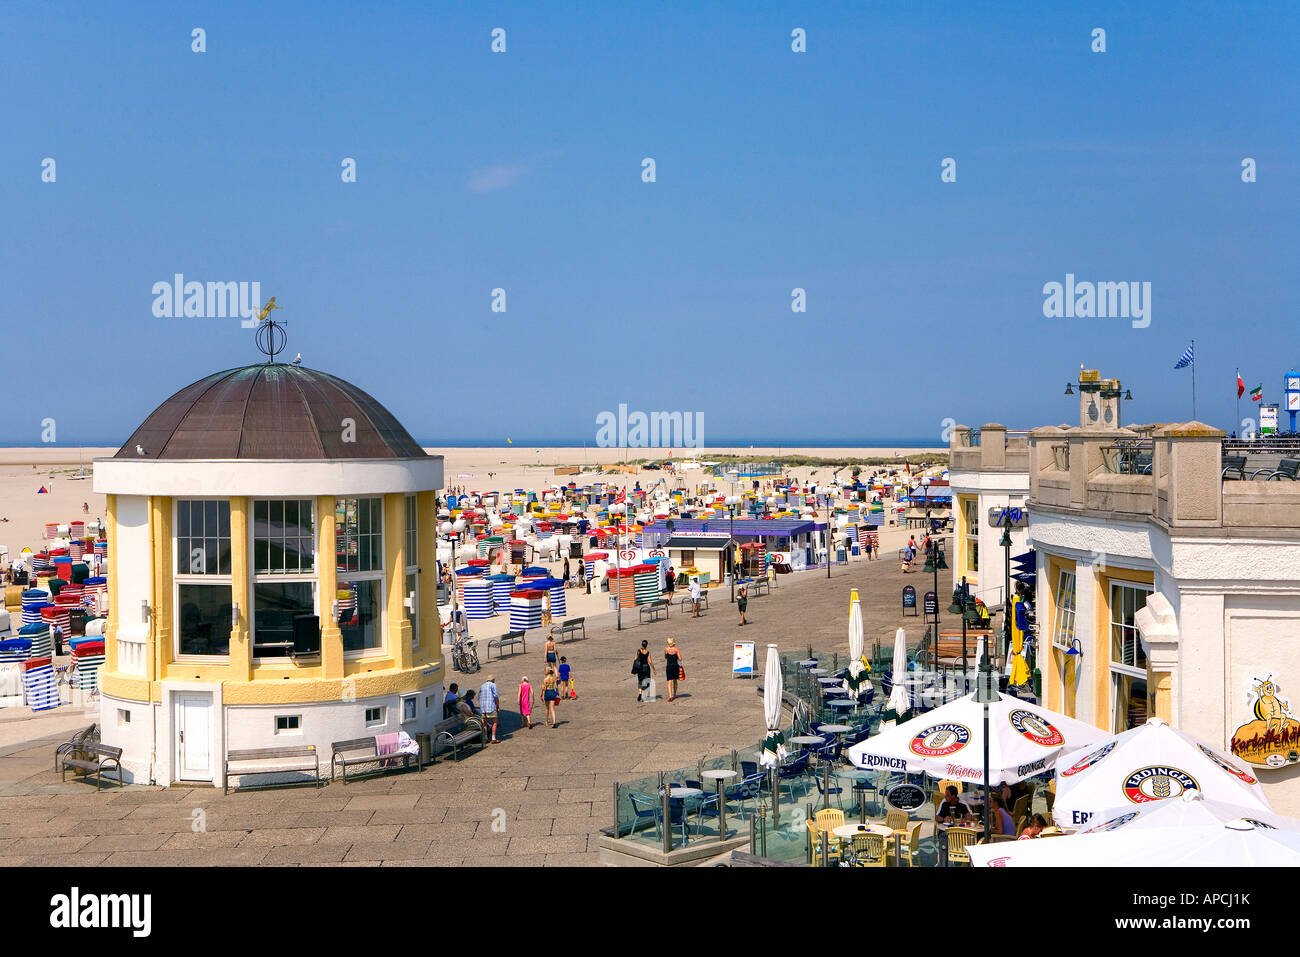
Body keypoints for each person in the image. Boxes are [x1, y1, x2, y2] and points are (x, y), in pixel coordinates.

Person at [478, 675, 500, 743]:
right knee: (495, 721)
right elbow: (495, 696)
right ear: (492, 680)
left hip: (483, 707)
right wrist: (497, 705)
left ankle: (486, 737)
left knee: (485, 723)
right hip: (490, 706)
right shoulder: (493, 685)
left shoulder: (482, 685)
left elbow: (479, 697)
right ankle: (493, 738)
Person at [664, 637, 683, 701]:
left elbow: (665, 657)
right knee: (675, 681)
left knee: (669, 682)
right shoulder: (676, 649)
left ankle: (670, 696)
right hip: (675, 666)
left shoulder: (666, 649)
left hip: (669, 666)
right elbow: (680, 658)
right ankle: (674, 694)